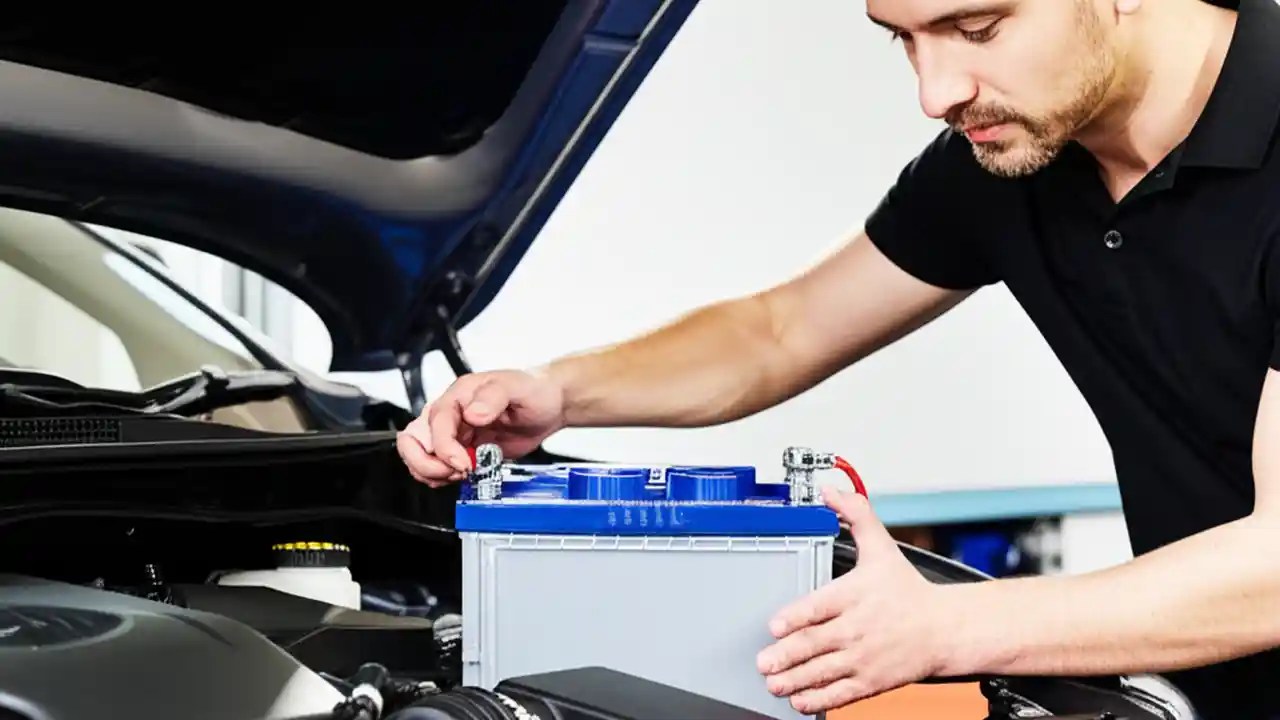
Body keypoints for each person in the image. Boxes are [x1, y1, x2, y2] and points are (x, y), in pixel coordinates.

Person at [397, 0, 1280, 716]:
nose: (937, 92)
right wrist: (561, 393)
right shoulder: (1012, 155)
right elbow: (780, 330)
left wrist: (947, 628)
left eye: (979, 30)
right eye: (904, 39)